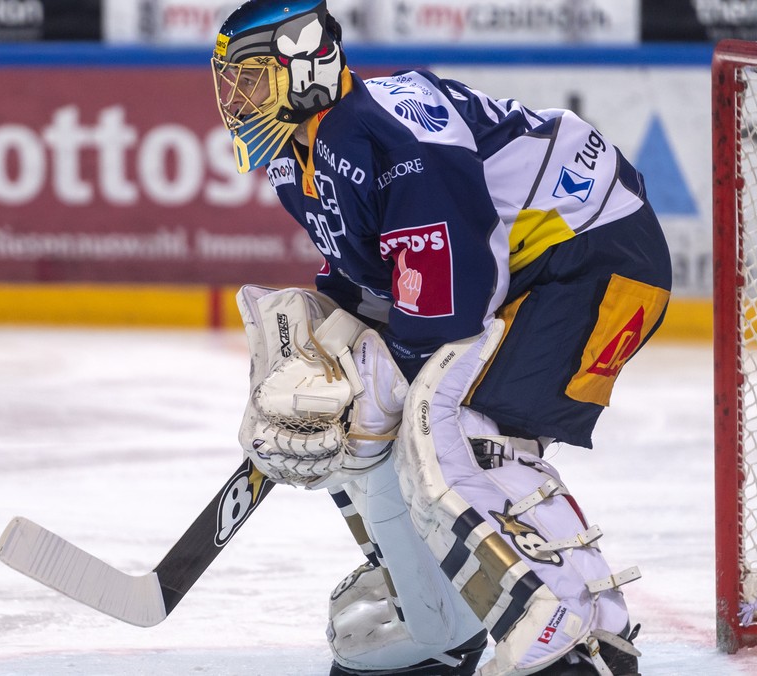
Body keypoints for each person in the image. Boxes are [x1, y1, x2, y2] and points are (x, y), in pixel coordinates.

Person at [212, 2, 671, 674]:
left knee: (453, 422)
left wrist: (375, 381)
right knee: (348, 401)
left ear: (305, 63)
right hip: (522, 271)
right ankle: (442, 615)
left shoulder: (387, 134)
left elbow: (454, 299)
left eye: (252, 79)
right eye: (232, 83)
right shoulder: (296, 159)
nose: (237, 99)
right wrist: (326, 358)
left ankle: (584, 633)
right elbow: (371, 281)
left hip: (594, 256)